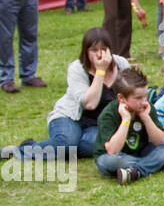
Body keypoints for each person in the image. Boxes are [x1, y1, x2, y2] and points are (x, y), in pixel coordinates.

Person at [9, 27, 128, 160]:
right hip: (70, 117)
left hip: (97, 124)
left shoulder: (121, 65)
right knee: (66, 145)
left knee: (95, 146)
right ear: (86, 51)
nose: (99, 54)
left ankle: (47, 146)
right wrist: (100, 71)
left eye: (104, 49)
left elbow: (131, 92)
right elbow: (90, 104)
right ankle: (17, 151)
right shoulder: (77, 68)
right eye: (94, 50)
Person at [95, 66, 164, 185]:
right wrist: (125, 120)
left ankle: (135, 172)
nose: (144, 101)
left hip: (142, 151)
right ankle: (160, 163)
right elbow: (112, 150)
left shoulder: (147, 107)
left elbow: (159, 141)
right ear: (121, 98)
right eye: (138, 98)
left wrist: (146, 118)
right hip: (117, 156)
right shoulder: (108, 114)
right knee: (108, 161)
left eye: (145, 96)